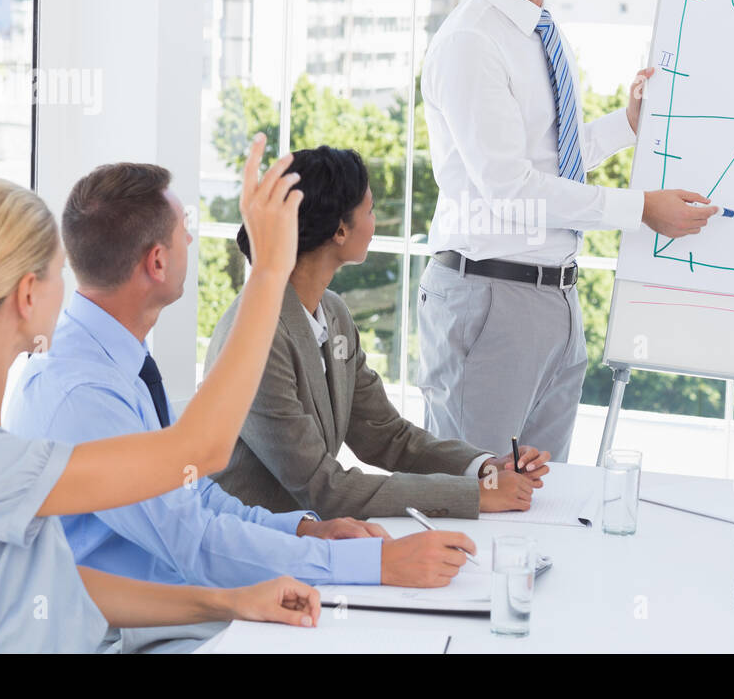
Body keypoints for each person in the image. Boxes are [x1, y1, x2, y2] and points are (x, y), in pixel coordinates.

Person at [0, 140, 328, 653]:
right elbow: (201, 451)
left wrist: (229, 601)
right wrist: (268, 272)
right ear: (27, 295)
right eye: (60, 272)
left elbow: (53, 585)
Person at [7, 158, 478, 594]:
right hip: (124, 635)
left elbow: (195, 496)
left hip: (186, 598)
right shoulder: (81, 394)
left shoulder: (120, 363)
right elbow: (192, 540)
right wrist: (370, 564)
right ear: (156, 261)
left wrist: (304, 529)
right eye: (182, 231)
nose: (191, 241)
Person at [418, 0, 720, 460]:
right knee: (480, 496)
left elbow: (551, 156)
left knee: (540, 500)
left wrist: (626, 126)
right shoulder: (472, 42)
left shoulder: (538, 30)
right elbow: (511, 188)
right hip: (490, 295)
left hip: (555, 297)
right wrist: (641, 210)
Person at [208, 145, 550, 521]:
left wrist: (483, 468)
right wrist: (474, 495)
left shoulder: (332, 311)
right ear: (340, 229)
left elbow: (387, 436)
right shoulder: (256, 335)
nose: (376, 222)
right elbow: (326, 489)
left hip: (314, 531)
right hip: (253, 542)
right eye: (369, 211)